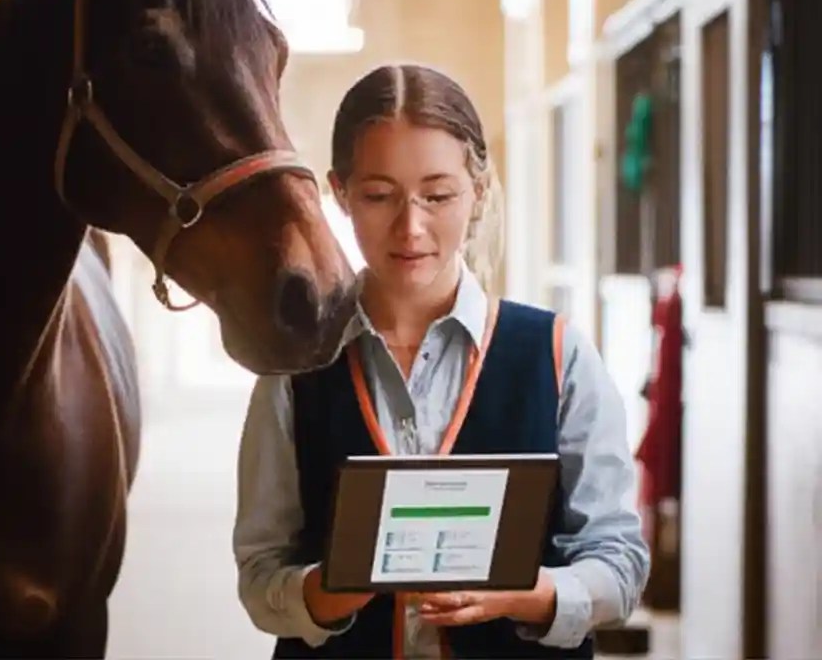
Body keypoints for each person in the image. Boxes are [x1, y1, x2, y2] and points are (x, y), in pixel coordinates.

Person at [232, 63, 650, 659]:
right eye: (379, 195)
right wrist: (328, 593)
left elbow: (621, 561)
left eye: (439, 194)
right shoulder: (295, 371)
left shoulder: (558, 356)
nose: (412, 226)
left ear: (477, 191)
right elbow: (260, 575)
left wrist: (530, 595)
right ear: (340, 193)